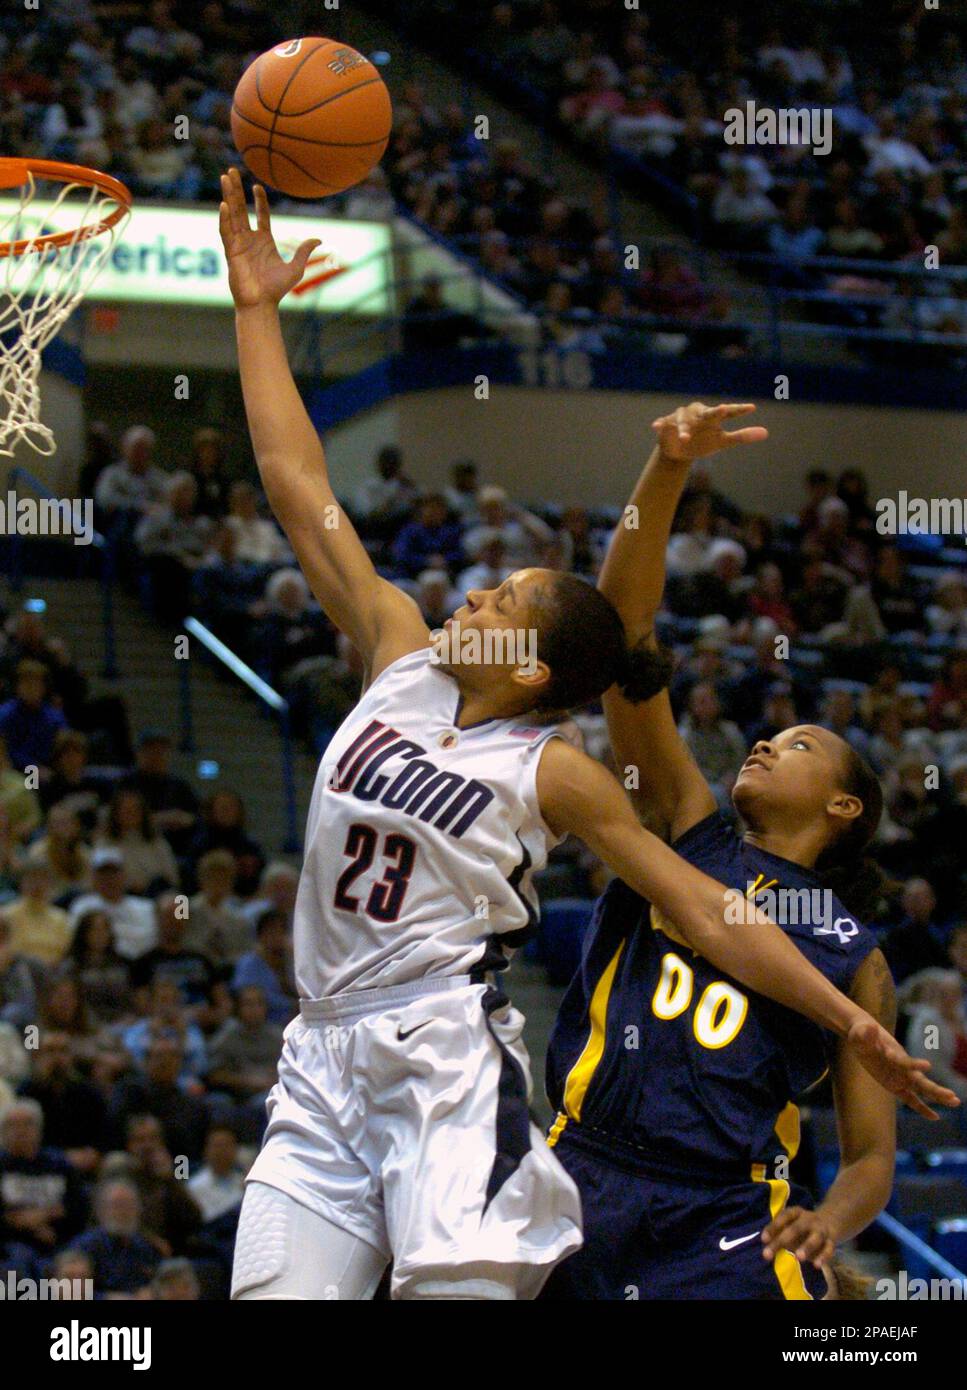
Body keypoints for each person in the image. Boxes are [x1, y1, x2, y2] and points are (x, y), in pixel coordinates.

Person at [218, 172, 946, 1303]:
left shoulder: (555, 770)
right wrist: (256, 310)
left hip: (448, 1068)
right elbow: (293, 477)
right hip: (320, 1056)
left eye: (502, 600)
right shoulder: (395, 649)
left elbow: (709, 910)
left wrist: (854, 1019)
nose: (471, 597)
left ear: (536, 669)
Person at [542, 402, 959, 1301]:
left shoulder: (857, 958)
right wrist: (665, 469)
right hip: (576, 1175)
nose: (767, 743)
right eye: (773, 736)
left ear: (844, 806)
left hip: (723, 1218)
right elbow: (625, 637)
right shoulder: (693, 827)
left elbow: (870, 1158)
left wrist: (832, 1221)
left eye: (801, 743)